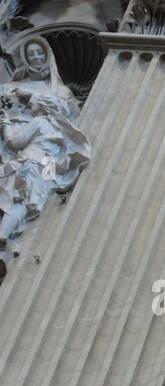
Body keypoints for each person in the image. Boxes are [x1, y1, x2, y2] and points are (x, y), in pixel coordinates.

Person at [0, 37, 91, 269]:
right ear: (25, 59)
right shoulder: (9, 87)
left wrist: (31, 98)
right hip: (21, 150)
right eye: (31, 55)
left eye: (40, 54)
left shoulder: (58, 91)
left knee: (26, 191)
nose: (36, 58)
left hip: (33, 154)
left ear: (47, 55)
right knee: (22, 193)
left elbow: (67, 109)